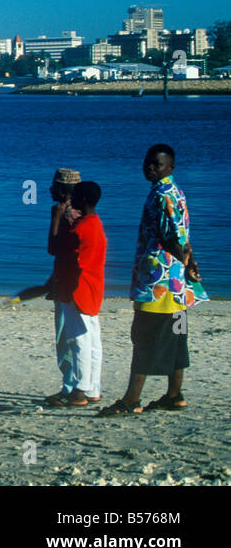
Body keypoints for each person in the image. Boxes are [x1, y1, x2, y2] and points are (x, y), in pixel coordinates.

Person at [100, 144, 208, 416]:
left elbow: (171, 236)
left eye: (157, 165)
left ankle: (131, 399)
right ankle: (174, 394)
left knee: (144, 337)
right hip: (177, 284)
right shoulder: (177, 192)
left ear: (170, 168)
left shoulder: (161, 194)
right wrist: (189, 263)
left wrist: (180, 258)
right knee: (177, 335)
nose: (150, 168)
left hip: (158, 281)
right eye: (148, 162)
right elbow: (182, 234)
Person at [45, 181, 106, 407]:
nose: (73, 202)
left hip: (75, 290)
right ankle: (92, 387)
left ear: (84, 201)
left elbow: (55, 248)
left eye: (76, 198)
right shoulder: (95, 224)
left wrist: (56, 218)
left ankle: (79, 390)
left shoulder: (80, 228)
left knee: (78, 339)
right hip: (92, 288)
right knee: (92, 339)